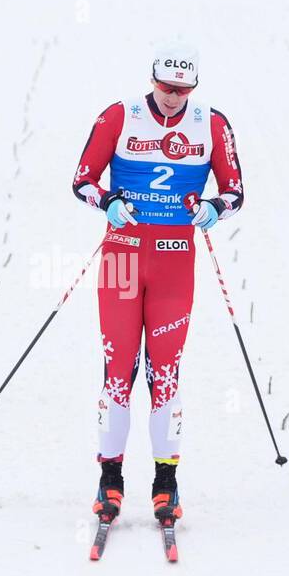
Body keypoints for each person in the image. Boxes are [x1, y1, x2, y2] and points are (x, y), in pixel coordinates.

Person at [71, 45, 245, 528]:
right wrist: (106, 201)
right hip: (122, 258)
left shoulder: (212, 124)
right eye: (166, 88)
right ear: (152, 81)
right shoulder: (119, 116)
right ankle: (110, 479)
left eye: (183, 91)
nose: (172, 99)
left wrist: (216, 207)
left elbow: (235, 191)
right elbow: (81, 180)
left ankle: (166, 482)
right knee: (118, 371)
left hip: (174, 261)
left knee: (165, 373)